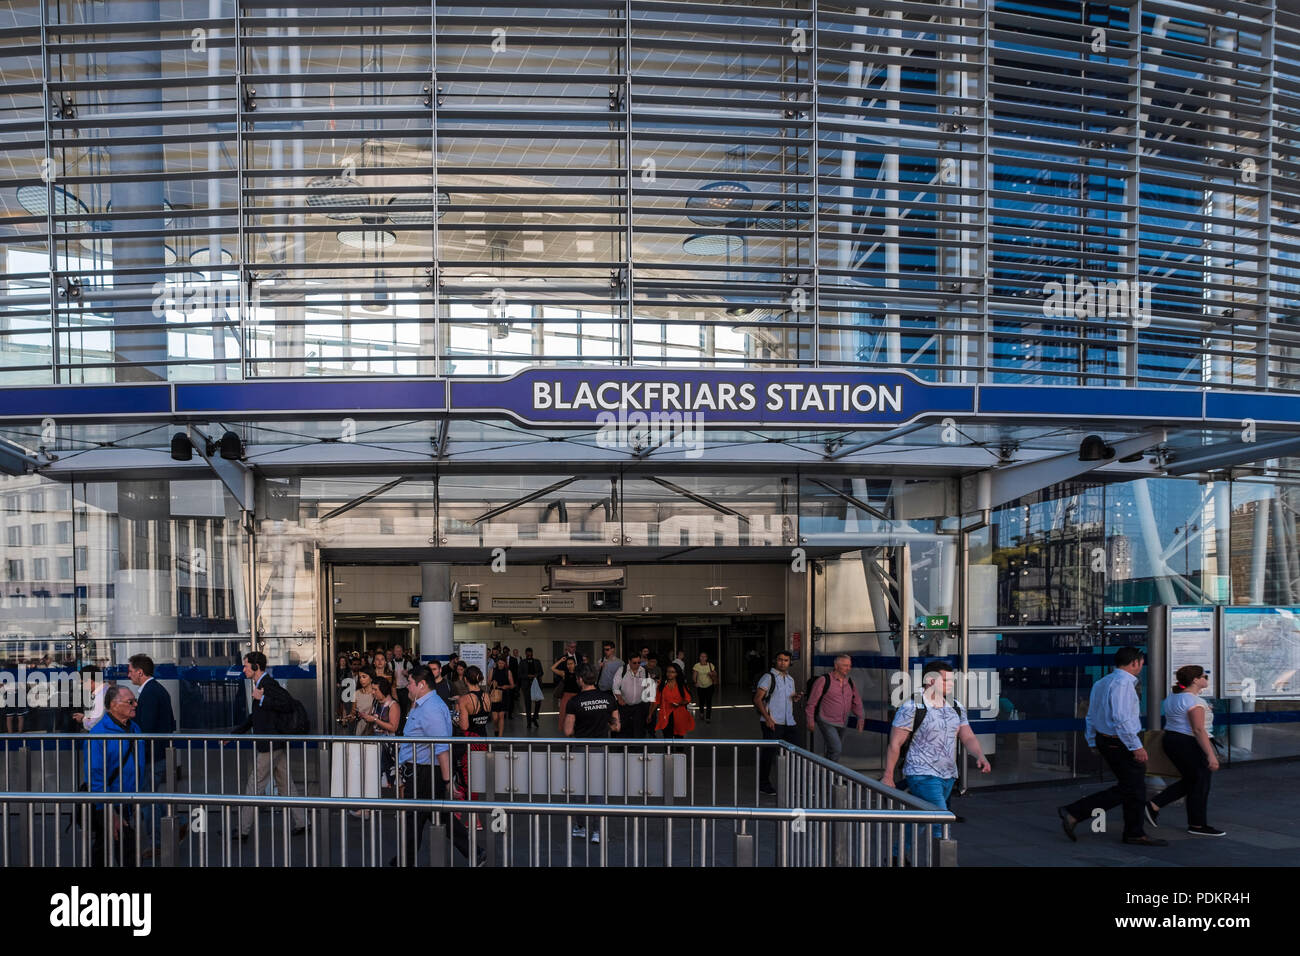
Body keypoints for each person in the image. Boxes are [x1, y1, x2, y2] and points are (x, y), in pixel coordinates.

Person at [1057, 647, 1164, 847]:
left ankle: (1134, 832)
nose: (1141, 666)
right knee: (1131, 787)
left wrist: (1092, 740)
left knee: (1134, 787)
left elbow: (1090, 715)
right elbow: (1121, 719)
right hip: (1120, 741)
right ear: (1135, 663)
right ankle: (1074, 812)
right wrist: (1136, 747)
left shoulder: (1102, 682)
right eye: (1141, 662)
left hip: (1106, 739)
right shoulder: (1123, 685)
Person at [883, 661, 990, 849]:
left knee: (923, 819)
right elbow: (895, 743)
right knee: (942, 820)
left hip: (948, 775)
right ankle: (945, 860)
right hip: (921, 773)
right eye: (946, 680)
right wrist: (888, 775)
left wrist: (980, 755)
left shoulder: (955, 706)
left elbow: (967, 735)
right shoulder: (912, 706)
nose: (951, 684)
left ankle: (897, 855)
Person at [392, 665, 481, 866]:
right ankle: (475, 853)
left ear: (421, 684)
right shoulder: (422, 704)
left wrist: (448, 782)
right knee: (437, 815)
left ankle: (404, 861)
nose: (407, 687)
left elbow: (441, 747)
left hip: (424, 771)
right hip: (421, 769)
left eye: (411, 683)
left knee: (414, 818)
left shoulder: (431, 708)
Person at [231, 652, 307, 838]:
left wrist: (262, 699)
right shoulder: (261, 686)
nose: (244, 669)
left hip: (270, 744)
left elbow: (287, 704)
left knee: (253, 785)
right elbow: (254, 718)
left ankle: (242, 830)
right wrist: (234, 734)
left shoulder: (268, 685)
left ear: (256, 667)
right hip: (275, 744)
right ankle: (302, 822)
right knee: (285, 785)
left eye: (246, 666)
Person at [1146, 665, 1225, 837]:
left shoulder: (1173, 698)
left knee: (1193, 780)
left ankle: (1155, 805)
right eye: (1205, 676)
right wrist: (1211, 755)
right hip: (1189, 742)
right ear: (1195, 680)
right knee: (1200, 782)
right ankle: (1197, 824)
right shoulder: (1194, 702)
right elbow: (1198, 730)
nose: (1206, 679)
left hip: (1173, 740)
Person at [85, 685, 144, 867]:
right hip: (109, 802)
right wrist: (108, 810)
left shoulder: (135, 729)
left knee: (111, 848)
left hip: (128, 799)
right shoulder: (99, 733)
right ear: (114, 705)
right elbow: (95, 774)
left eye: (135, 701)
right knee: (120, 850)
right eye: (130, 702)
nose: (135, 705)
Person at [563, 663, 621, 843]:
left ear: (580, 679)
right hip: (601, 748)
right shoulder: (608, 699)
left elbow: (567, 731)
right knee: (598, 791)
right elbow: (616, 726)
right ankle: (597, 831)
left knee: (579, 790)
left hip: (581, 749)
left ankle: (580, 827)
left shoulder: (575, 702)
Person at [127, 654, 174, 846]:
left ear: (140, 672)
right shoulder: (154, 690)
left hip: (152, 756)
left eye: (130, 671)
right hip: (156, 754)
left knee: (148, 800)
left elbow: (146, 727)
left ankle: (158, 842)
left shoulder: (150, 693)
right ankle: (175, 828)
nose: (128, 675)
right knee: (151, 797)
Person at [754, 651, 801, 795]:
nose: (782, 662)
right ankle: (763, 784)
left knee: (795, 753)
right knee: (768, 754)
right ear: (776, 661)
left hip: (789, 722)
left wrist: (795, 698)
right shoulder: (768, 677)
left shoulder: (790, 679)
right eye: (780, 660)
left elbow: (787, 698)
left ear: (789, 662)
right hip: (773, 722)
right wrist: (768, 719)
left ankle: (794, 785)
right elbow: (757, 699)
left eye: (786, 660)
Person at [804, 654, 864, 764]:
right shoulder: (823, 680)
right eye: (845, 665)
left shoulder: (849, 682)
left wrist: (860, 718)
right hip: (826, 720)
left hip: (842, 722)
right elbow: (811, 702)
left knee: (832, 750)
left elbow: (857, 701)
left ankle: (825, 775)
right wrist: (810, 720)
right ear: (836, 666)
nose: (848, 668)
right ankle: (830, 776)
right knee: (836, 749)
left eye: (849, 666)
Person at [360, 677, 400, 801]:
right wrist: (368, 718)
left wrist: (375, 720)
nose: (373, 692)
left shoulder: (393, 705)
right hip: (375, 743)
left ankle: (398, 805)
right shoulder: (376, 703)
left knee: (392, 776)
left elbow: (393, 727)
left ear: (383, 689)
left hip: (388, 746)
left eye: (375, 689)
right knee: (373, 774)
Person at [455, 666, 492, 797]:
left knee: (468, 776)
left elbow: (464, 726)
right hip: (483, 739)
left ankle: (470, 808)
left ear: (465, 679)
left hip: (470, 742)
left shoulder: (464, 699)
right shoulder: (487, 696)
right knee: (478, 775)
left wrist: (456, 717)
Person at [651, 662, 695, 739]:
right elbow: (656, 701)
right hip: (665, 715)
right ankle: (669, 751)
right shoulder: (662, 685)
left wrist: (680, 703)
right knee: (667, 737)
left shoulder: (681, 685)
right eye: (668, 672)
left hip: (679, 715)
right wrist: (650, 714)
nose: (669, 674)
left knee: (679, 737)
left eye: (672, 672)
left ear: (677, 674)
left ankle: (679, 751)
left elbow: (688, 699)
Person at [613, 651, 650, 739]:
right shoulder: (622, 670)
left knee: (638, 730)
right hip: (624, 706)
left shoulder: (644, 671)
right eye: (634, 663)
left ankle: (637, 750)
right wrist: (620, 699)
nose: (637, 665)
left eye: (639, 662)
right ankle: (622, 750)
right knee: (623, 730)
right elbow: (615, 687)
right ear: (629, 662)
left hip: (638, 707)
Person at [71, 664, 107, 731]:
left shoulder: (100, 696)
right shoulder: (106, 690)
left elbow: (94, 724)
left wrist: (82, 719)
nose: (82, 687)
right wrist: (85, 717)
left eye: (82, 683)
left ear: (90, 681)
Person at [552, 654, 580, 733]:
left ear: (575, 664)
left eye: (571, 664)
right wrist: (560, 661)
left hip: (576, 697)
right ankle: (567, 731)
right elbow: (552, 668)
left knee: (576, 715)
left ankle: (575, 730)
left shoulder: (579, 674)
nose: (569, 666)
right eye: (568, 664)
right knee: (563, 715)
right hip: (566, 697)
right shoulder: (564, 673)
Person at [488, 655, 515, 736]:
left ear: (505, 664)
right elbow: (488, 682)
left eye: (502, 663)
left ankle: (500, 736)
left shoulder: (508, 672)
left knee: (501, 716)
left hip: (504, 695)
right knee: (495, 718)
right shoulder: (493, 670)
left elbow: (512, 685)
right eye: (499, 663)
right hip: (494, 695)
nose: (501, 665)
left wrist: (507, 686)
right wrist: (492, 683)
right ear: (497, 663)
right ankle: (496, 728)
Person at [691, 652, 718, 723]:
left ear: (706, 658)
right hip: (700, 686)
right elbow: (694, 675)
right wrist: (695, 682)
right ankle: (701, 713)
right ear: (699, 657)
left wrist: (712, 674)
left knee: (709, 701)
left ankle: (708, 717)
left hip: (709, 686)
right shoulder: (697, 666)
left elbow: (715, 673)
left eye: (704, 657)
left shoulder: (710, 665)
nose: (703, 658)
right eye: (701, 656)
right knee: (701, 701)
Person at [521, 648, 545, 728]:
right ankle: (528, 722)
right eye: (527, 653)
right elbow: (519, 674)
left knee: (538, 702)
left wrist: (536, 675)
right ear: (525, 653)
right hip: (526, 685)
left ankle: (534, 717)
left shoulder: (537, 662)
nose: (529, 654)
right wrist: (527, 676)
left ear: (532, 653)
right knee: (528, 705)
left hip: (536, 684)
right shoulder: (522, 662)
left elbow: (541, 672)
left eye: (530, 653)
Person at [349, 668, 377, 736]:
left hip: (374, 727)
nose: (361, 679)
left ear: (371, 678)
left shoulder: (376, 693)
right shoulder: (356, 693)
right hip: (361, 727)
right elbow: (353, 713)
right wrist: (350, 717)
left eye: (364, 677)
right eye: (360, 677)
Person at [391, 644, 411, 724]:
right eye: (397, 651)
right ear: (394, 652)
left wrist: (408, 674)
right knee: (394, 709)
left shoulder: (408, 663)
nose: (398, 653)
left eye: (400, 651)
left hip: (404, 690)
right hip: (394, 690)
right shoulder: (390, 664)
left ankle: (402, 727)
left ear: (402, 652)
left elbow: (414, 677)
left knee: (404, 710)